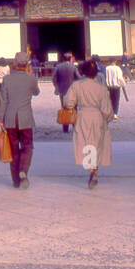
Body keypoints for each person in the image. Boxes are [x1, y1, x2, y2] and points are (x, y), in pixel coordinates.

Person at [65, 59, 114, 188]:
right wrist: (107, 119)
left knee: (86, 143)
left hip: (83, 116)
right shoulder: (101, 88)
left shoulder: (77, 85)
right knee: (97, 143)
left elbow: (68, 102)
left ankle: (91, 169)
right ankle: (95, 169)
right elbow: (107, 109)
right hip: (97, 116)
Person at [0, 51, 39, 189]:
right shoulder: (31, 79)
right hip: (25, 118)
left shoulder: (7, 80)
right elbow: (36, 92)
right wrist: (30, 73)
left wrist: (0, 121)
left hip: (10, 118)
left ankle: (15, 181)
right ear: (27, 63)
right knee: (27, 146)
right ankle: (23, 170)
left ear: (15, 63)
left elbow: (3, 101)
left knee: (13, 150)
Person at [52, 52, 80, 132]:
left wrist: (56, 87)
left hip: (62, 91)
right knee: (74, 108)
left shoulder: (58, 67)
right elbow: (78, 77)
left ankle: (65, 127)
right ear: (70, 59)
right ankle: (75, 126)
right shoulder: (73, 67)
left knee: (64, 108)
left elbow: (53, 78)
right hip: (73, 91)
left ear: (63, 59)